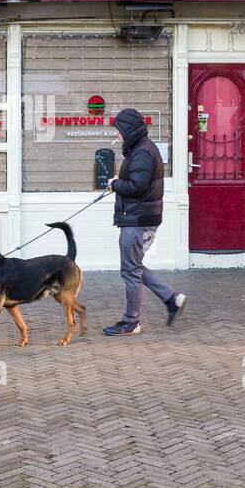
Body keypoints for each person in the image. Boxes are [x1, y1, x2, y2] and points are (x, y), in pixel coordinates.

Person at [102, 108, 186, 336]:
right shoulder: (141, 149)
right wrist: (120, 182)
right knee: (134, 266)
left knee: (130, 271)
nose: (117, 135)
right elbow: (139, 182)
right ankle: (171, 299)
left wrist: (116, 183)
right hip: (139, 216)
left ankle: (131, 322)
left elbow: (137, 186)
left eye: (119, 130)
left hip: (137, 220)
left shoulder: (141, 153)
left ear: (128, 130)